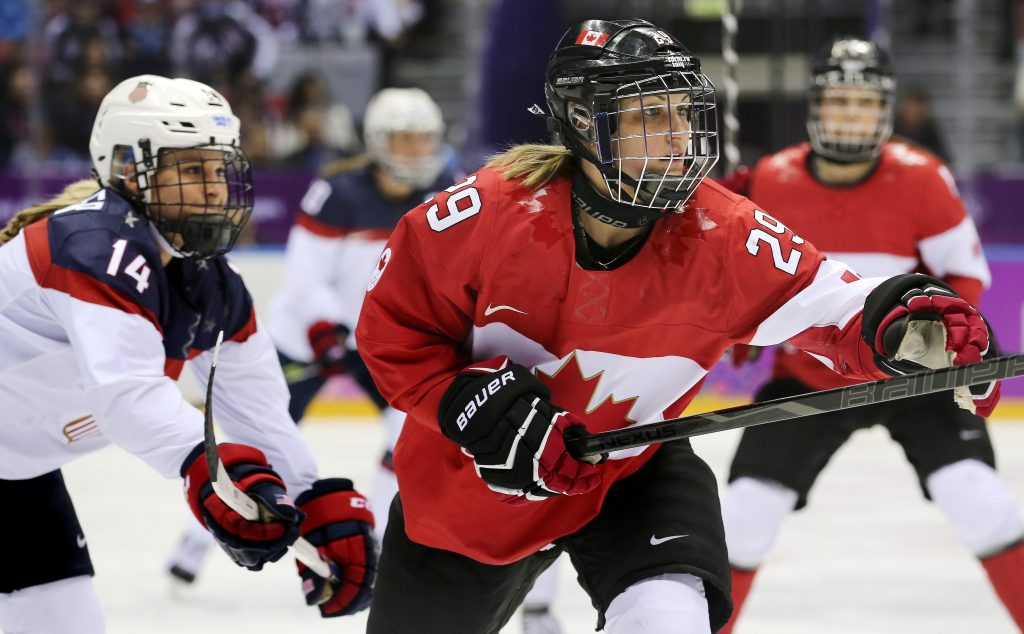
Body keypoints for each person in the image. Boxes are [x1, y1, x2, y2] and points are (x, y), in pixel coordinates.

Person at [354, 19, 1001, 634]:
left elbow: (832, 304)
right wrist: (465, 403)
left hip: (635, 470)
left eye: (682, 113)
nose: (676, 135)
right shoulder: (479, 217)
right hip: (472, 489)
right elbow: (394, 332)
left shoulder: (723, 229)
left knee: (670, 619)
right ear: (583, 120)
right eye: (648, 115)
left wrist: (911, 328)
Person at [0, 75, 376, 633]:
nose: (214, 188)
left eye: (220, 169)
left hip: (17, 478)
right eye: (192, 169)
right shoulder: (90, 247)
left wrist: (308, 498)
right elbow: (127, 394)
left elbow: (259, 409)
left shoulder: (213, 284)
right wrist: (206, 468)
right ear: (128, 169)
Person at [716, 38, 1024, 634]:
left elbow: (964, 277)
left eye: (862, 102)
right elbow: (748, 277)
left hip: (922, 378)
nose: (849, 115)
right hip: (810, 374)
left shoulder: (923, 178)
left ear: (883, 110)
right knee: (744, 517)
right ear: (815, 107)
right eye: (838, 101)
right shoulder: (772, 181)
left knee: (980, 504)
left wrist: (955, 345)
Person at [163, 86, 450, 583]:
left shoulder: (446, 192)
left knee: (408, 434)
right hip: (309, 339)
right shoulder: (337, 194)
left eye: (425, 140)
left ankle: (376, 544)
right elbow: (305, 274)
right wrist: (323, 329)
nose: (418, 151)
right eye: (405, 139)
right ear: (378, 141)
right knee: (262, 444)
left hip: (382, 344)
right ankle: (198, 542)